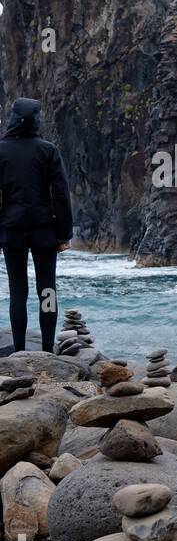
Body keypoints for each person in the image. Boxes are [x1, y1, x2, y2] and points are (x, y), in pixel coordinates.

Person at [0, 97, 73, 353]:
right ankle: (46, 350)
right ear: (35, 120)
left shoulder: (1, 150)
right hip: (44, 231)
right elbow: (61, 195)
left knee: (17, 290)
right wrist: (64, 233)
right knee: (47, 289)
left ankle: (19, 350)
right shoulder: (48, 150)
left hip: (11, 231)